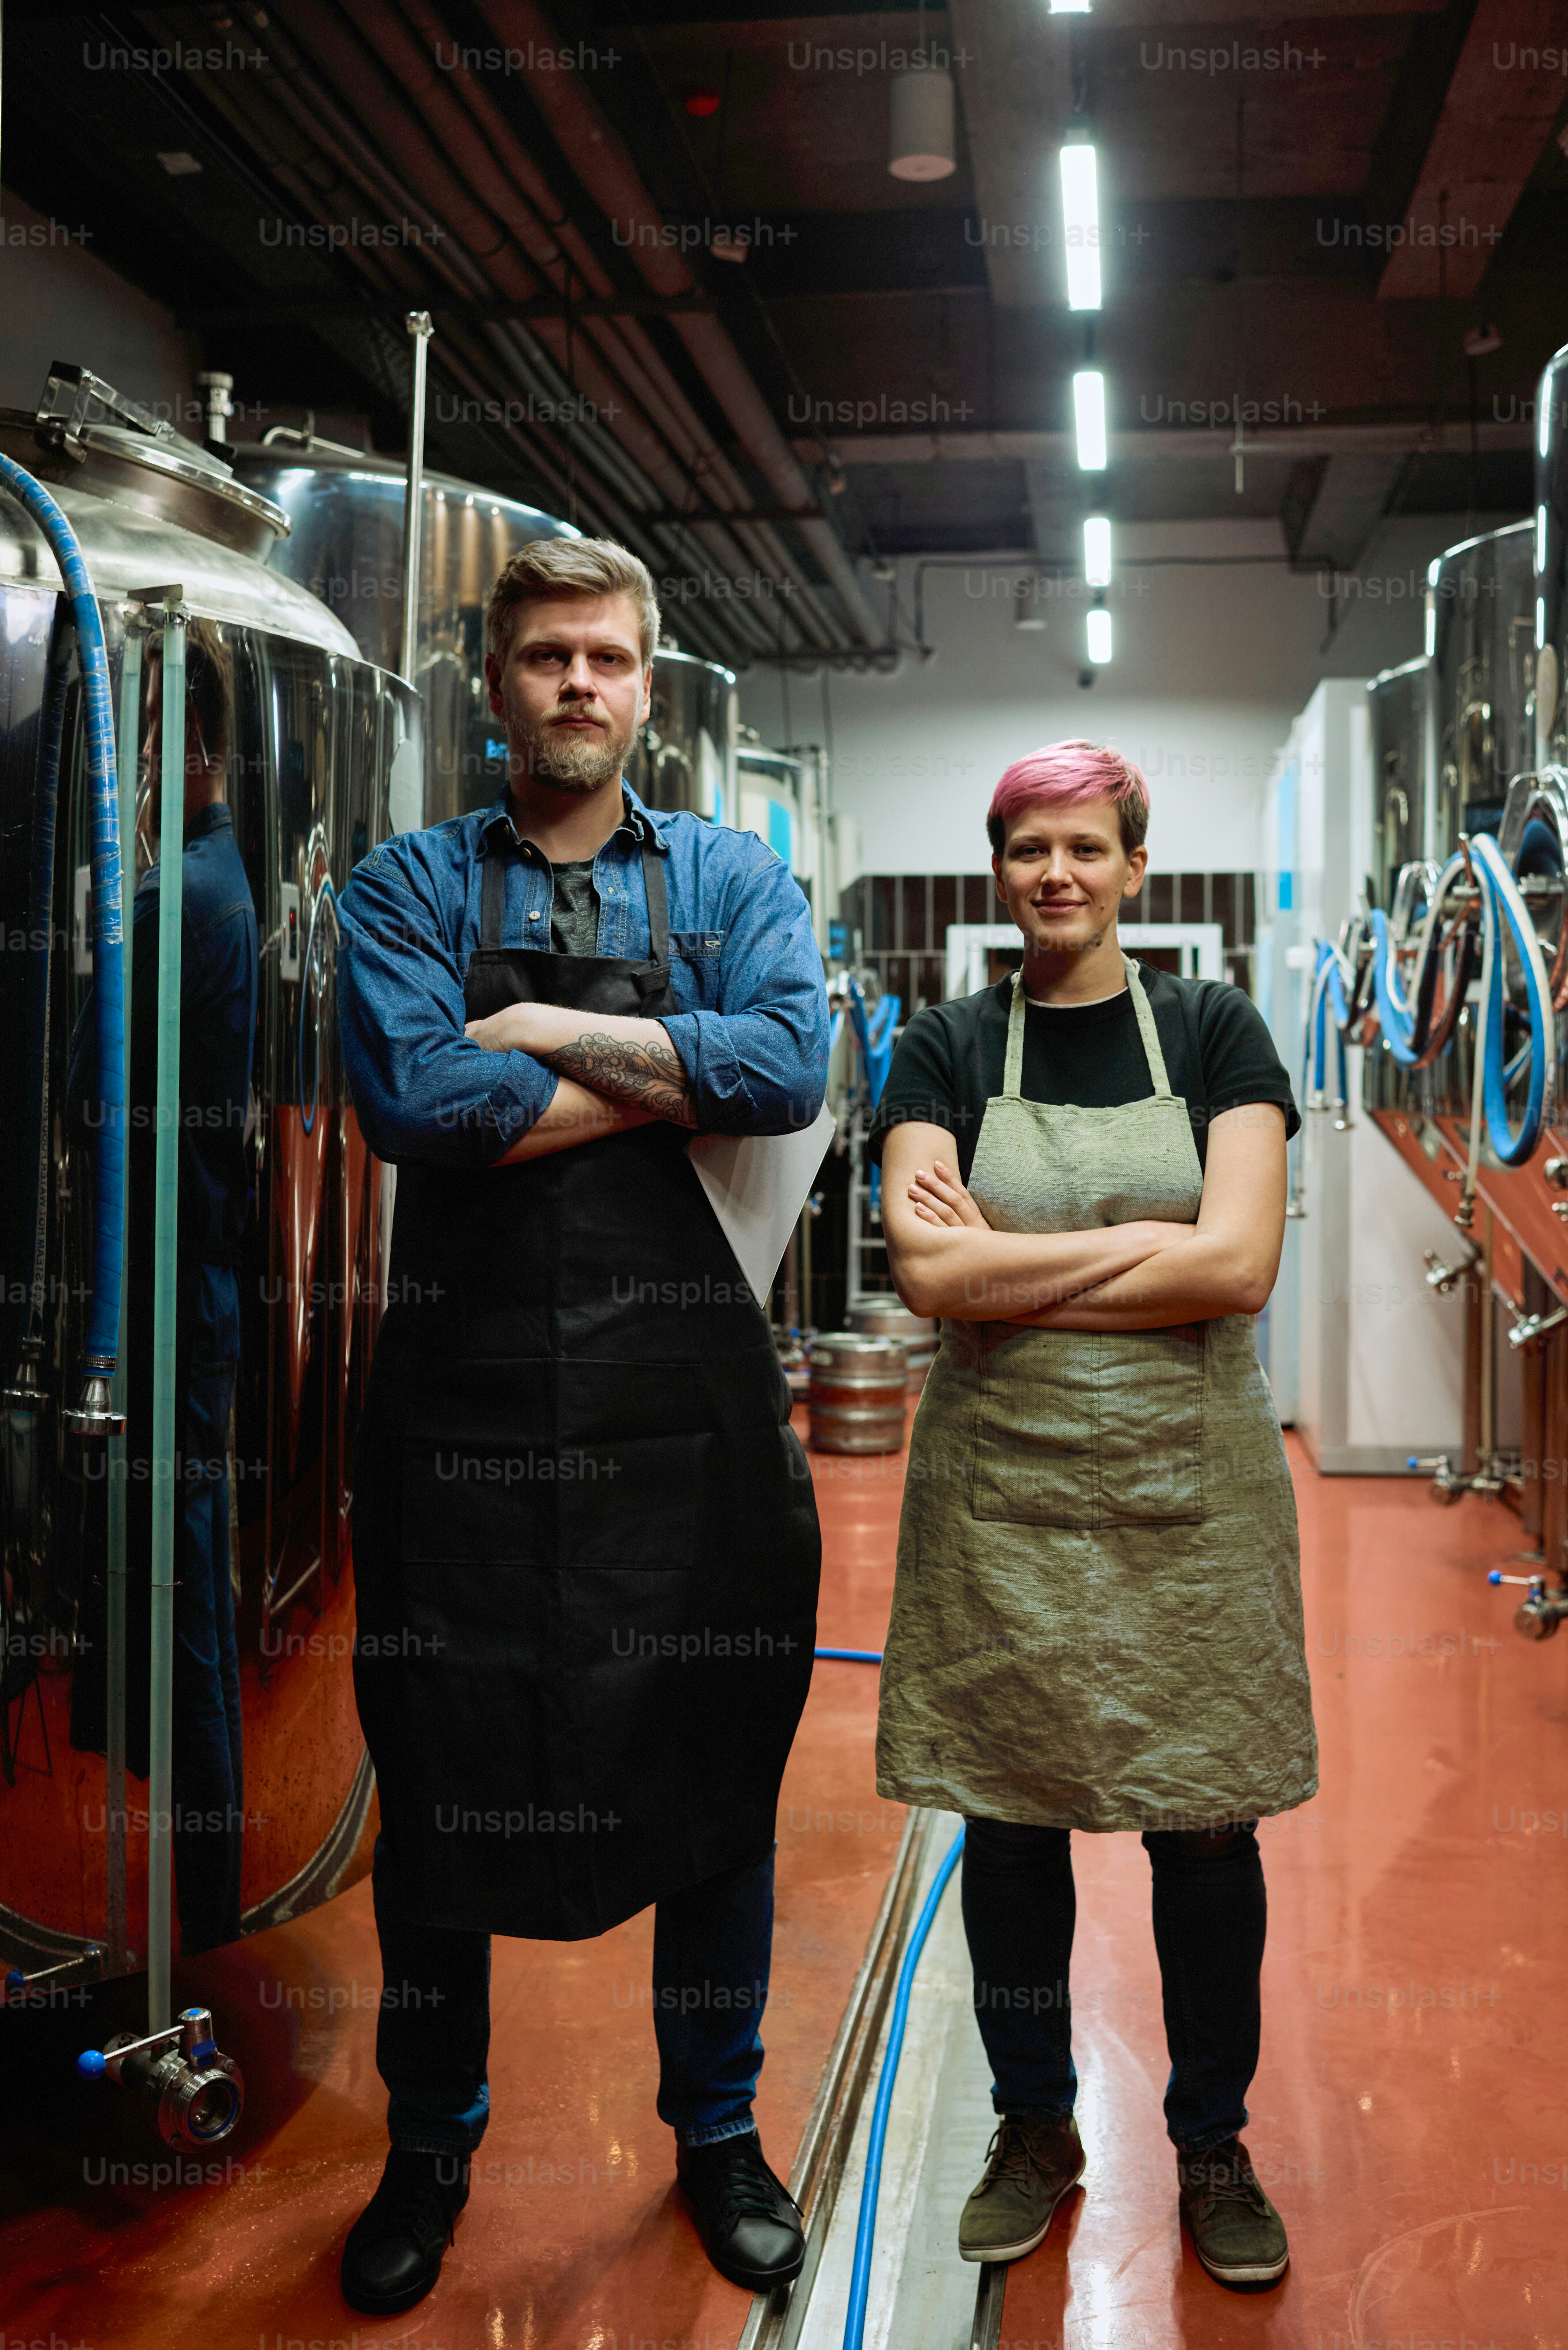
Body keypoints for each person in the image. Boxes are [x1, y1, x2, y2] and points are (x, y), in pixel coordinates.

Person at [334, 538, 826, 2315]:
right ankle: (429, 2148)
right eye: (547, 655)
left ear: (647, 684)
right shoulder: (405, 883)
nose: (579, 684)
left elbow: (786, 1071)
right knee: (440, 1792)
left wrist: (537, 1027)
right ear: (496, 683)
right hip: (461, 1428)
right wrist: (662, 1079)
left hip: (681, 1433)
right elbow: (416, 1101)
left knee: (714, 1780)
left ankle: (719, 2134)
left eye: (608, 658)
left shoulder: (728, 876)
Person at [870, 740, 1316, 2291]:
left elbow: (1238, 1267)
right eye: (1026, 849)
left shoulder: (1212, 1027)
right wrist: (1145, 1241)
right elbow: (927, 1276)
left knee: (1204, 1825)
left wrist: (1014, 1270)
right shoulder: (940, 1043)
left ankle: (1212, 2142)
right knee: (1008, 1823)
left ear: (1134, 866)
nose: (1054, 873)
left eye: (1083, 847)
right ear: (999, 871)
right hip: (1000, 1497)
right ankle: (1033, 2126)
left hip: (1190, 1502)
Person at [69, 617, 258, 1954]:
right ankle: (207, 1894)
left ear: (187, 739)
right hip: (195, 1285)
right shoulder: (220, 880)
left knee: (178, 1589)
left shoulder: (175, 899)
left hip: (163, 1291)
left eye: (141, 738)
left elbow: (85, 1089)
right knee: (185, 1577)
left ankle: (197, 1909)